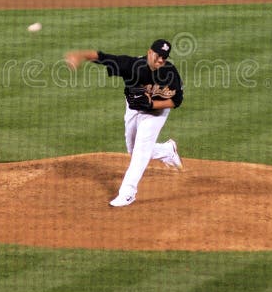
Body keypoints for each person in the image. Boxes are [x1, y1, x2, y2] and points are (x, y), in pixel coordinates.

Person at [64, 39, 184, 207]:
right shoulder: (131, 65)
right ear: (150, 52)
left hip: (157, 112)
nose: (160, 60)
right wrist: (79, 55)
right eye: (158, 56)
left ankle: (128, 193)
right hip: (134, 108)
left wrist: (152, 105)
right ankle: (166, 150)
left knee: (141, 151)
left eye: (164, 58)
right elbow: (102, 57)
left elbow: (176, 101)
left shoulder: (169, 73)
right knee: (132, 149)